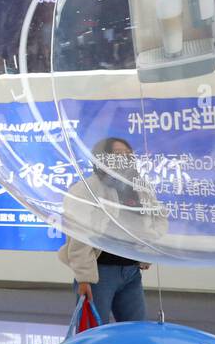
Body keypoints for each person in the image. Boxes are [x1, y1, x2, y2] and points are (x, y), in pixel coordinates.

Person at [58, 137, 166, 324]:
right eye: (117, 154)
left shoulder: (139, 186)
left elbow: (156, 217)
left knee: (136, 328)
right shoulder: (86, 189)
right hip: (101, 272)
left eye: (128, 154)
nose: (124, 158)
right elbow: (79, 236)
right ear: (102, 157)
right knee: (94, 331)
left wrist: (145, 252)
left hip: (131, 271)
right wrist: (84, 278)